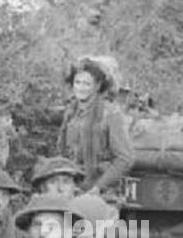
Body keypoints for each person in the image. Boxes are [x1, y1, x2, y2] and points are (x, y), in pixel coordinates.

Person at [56, 57, 134, 197]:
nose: (80, 88)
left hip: (104, 192)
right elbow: (63, 152)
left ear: (97, 86)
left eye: (86, 84)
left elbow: (124, 159)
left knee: (101, 219)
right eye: (77, 82)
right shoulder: (71, 113)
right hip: (73, 188)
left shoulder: (110, 114)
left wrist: (99, 187)